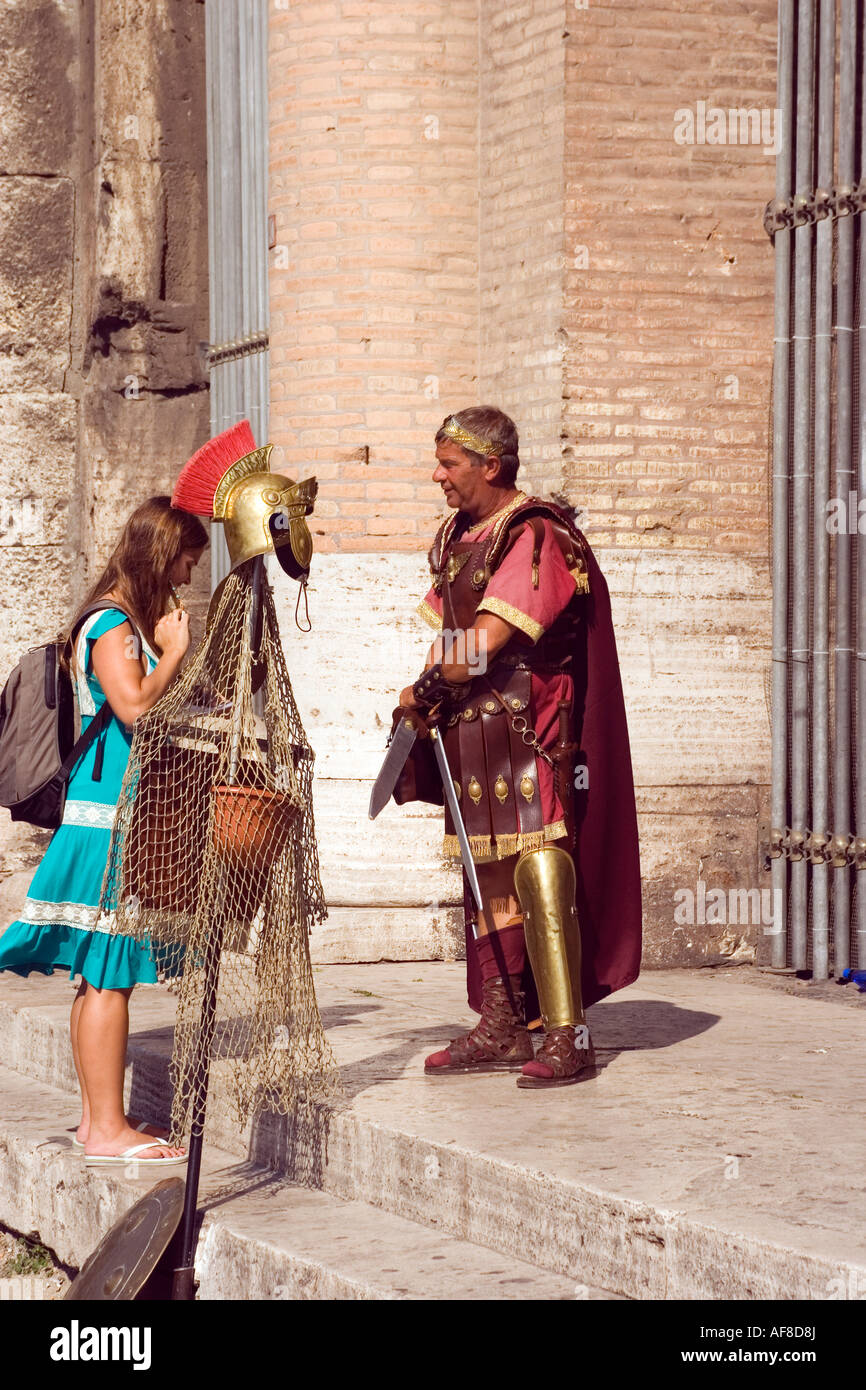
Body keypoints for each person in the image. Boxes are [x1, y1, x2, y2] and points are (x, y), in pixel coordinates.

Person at [396, 407, 642, 1088]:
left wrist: (425, 685)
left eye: (449, 463)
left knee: (538, 866)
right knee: (489, 880)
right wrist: (425, 692)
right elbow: (451, 632)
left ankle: (568, 1035)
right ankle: (506, 1024)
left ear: (490, 465)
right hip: (472, 728)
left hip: (530, 719)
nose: (438, 475)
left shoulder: (532, 534)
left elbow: (484, 642)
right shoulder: (458, 537)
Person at [0, 497, 207, 1164]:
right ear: (160, 554)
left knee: (96, 974)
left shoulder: (114, 621)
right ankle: (109, 1127)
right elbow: (135, 705)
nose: (185, 577)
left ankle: (97, 1123)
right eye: (184, 563)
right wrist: (174, 650)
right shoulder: (114, 624)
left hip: (110, 812)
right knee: (109, 972)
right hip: (109, 819)